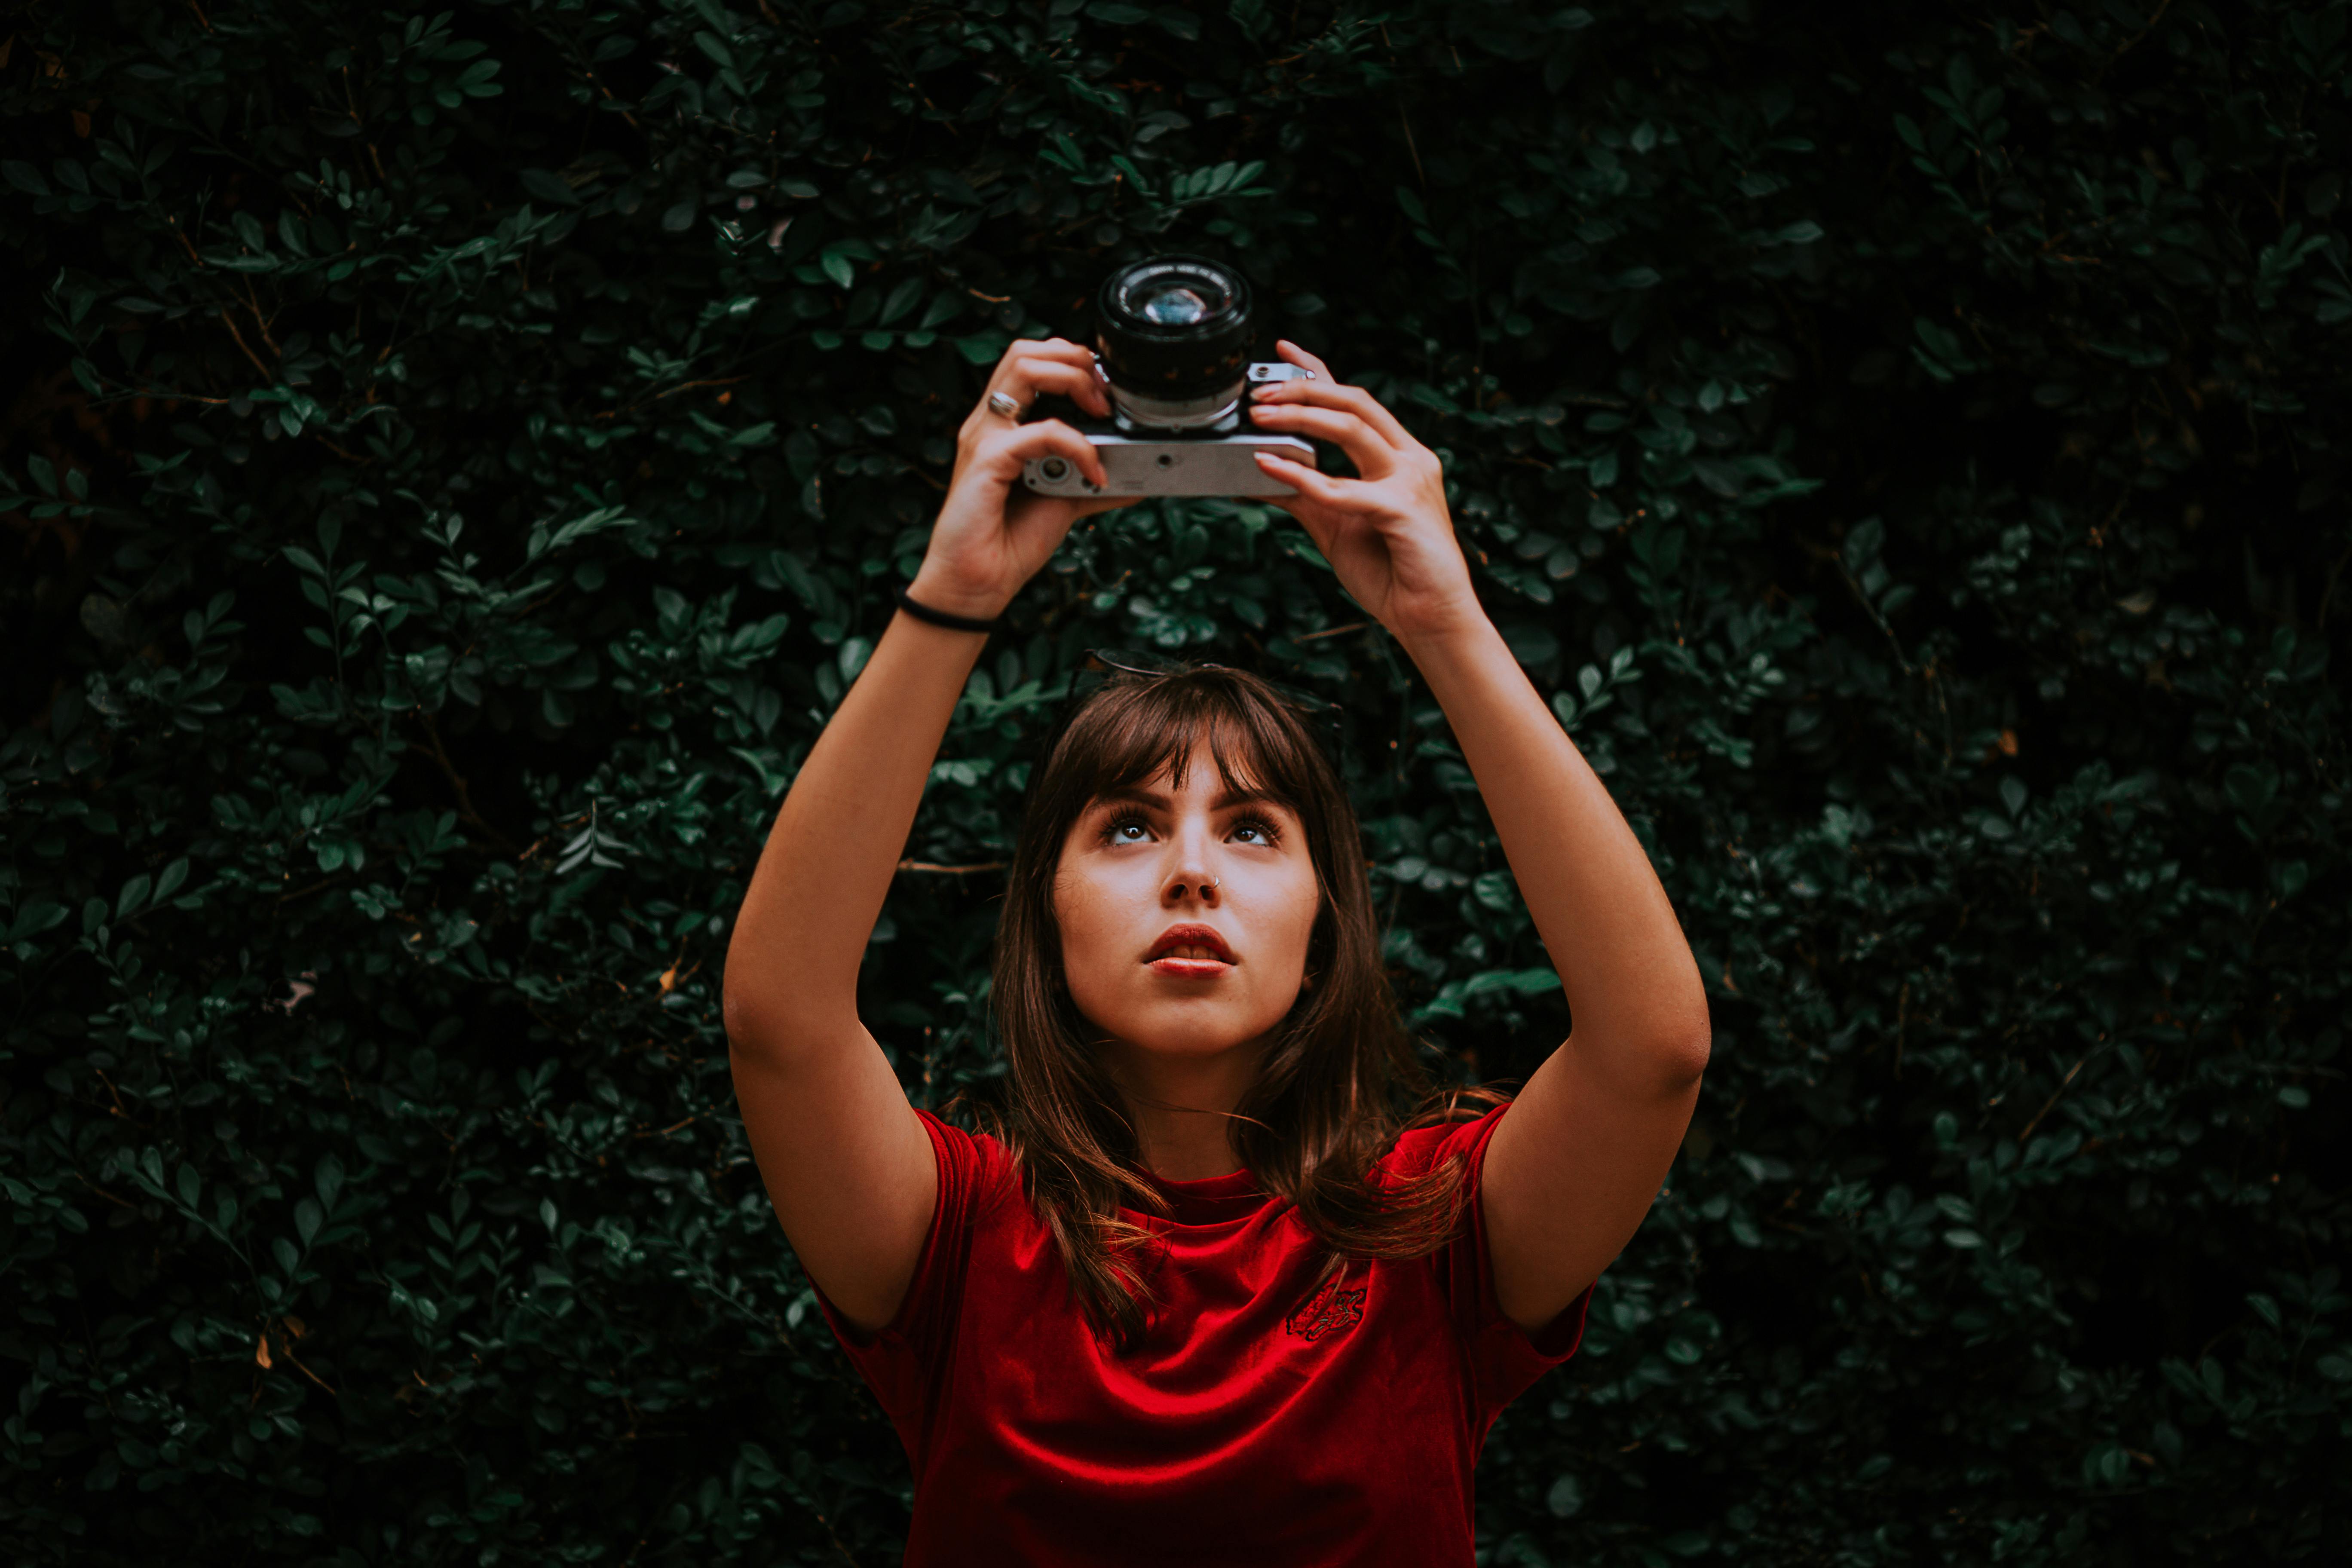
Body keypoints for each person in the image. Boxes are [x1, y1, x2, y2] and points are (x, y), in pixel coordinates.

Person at [722, 335, 1712, 1565]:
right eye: (1130, 825)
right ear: (1046, 912)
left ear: (1324, 921)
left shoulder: (1436, 1236)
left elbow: (1654, 1047)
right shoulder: (956, 1240)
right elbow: (781, 1018)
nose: (1191, 868)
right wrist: (956, 596)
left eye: (1251, 830)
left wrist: (1443, 618)